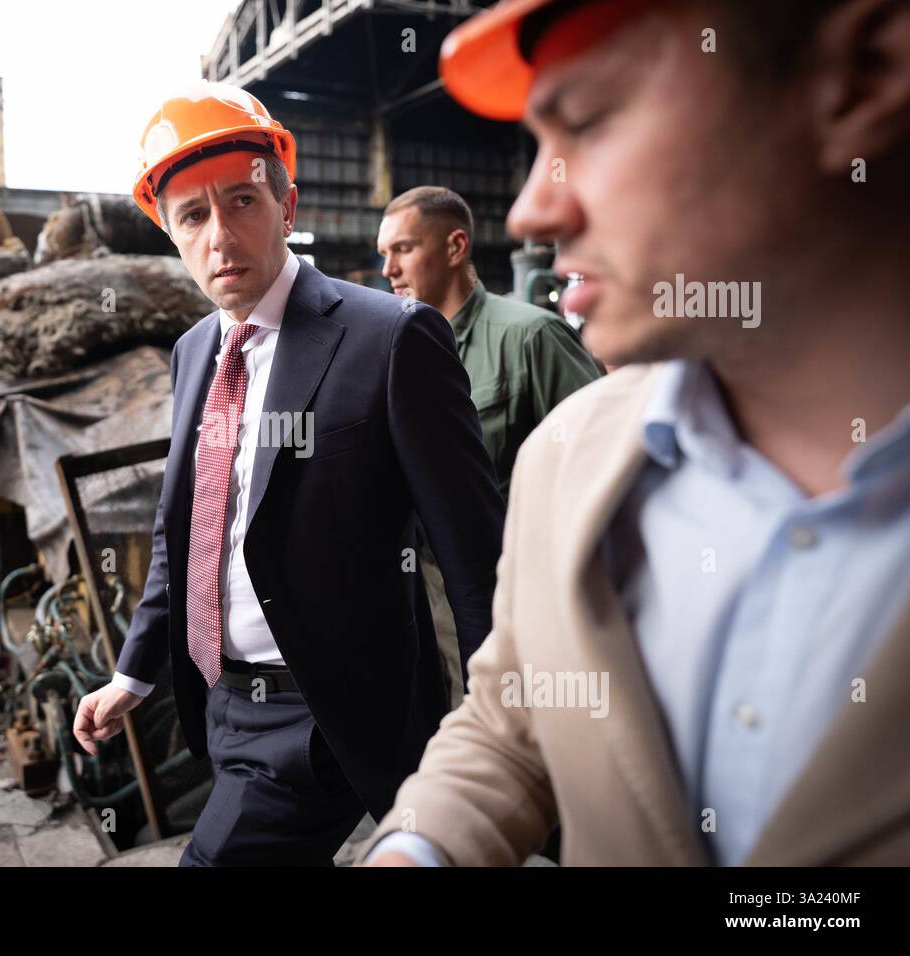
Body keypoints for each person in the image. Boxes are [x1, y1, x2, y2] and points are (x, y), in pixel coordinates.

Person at [361, 0, 910, 865]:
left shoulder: (533, 346)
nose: (532, 215)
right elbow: (512, 723)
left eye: (586, 123)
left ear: (864, 77)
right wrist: (418, 849)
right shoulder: (569, 461)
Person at [71, 83, 505, 866]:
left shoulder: (391, 338)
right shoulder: (197, 351)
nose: (220, 236)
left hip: (328, 709)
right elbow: (190, 526)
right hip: (225, 699)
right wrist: (132, 674)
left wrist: (507, 723)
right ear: (170, 234)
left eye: (241, 200)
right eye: (193, 216)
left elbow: (475, 557)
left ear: (287, 204)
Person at [379, 185, 600, 708]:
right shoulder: (391, 353)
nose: (388, 268)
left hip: (524, 599)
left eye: (404, 249)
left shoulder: (530, 338)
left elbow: (600, 468)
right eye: (384, 253)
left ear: (456, 248)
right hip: (431, 600)